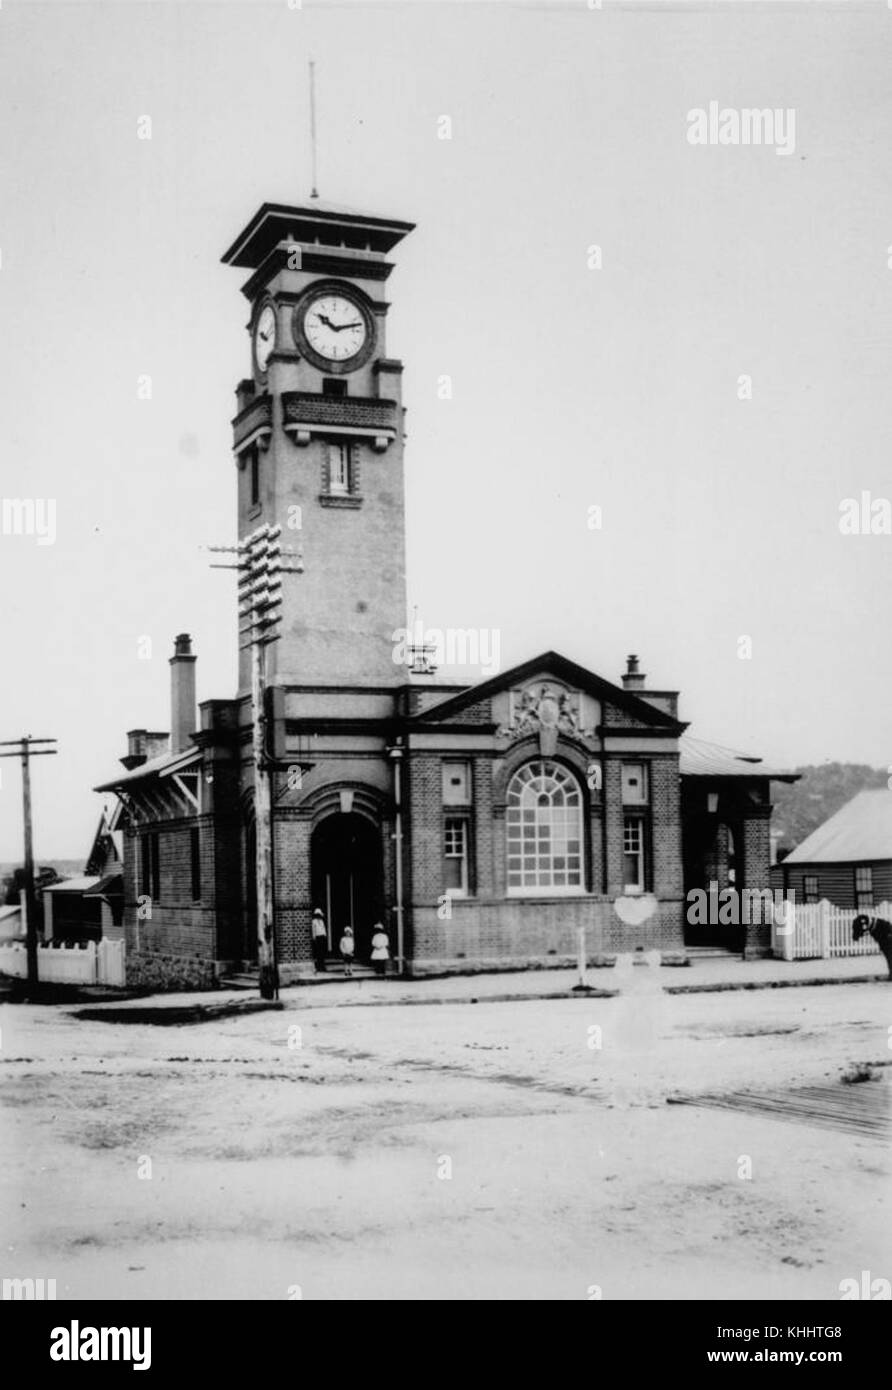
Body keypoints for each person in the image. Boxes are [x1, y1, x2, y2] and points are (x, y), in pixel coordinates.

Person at [311, 908, 328, 972]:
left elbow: (323, 929)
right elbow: (313, 930)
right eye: (317, 914)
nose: (318, 916)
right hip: (317, 937)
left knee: (322, 952)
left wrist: (325, 935)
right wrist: (314, 937)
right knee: (318, 952)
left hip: (322, 937)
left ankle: (323, 966)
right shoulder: (314, 921)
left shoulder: (321, 921)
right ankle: (319, 966)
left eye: (319, 915)